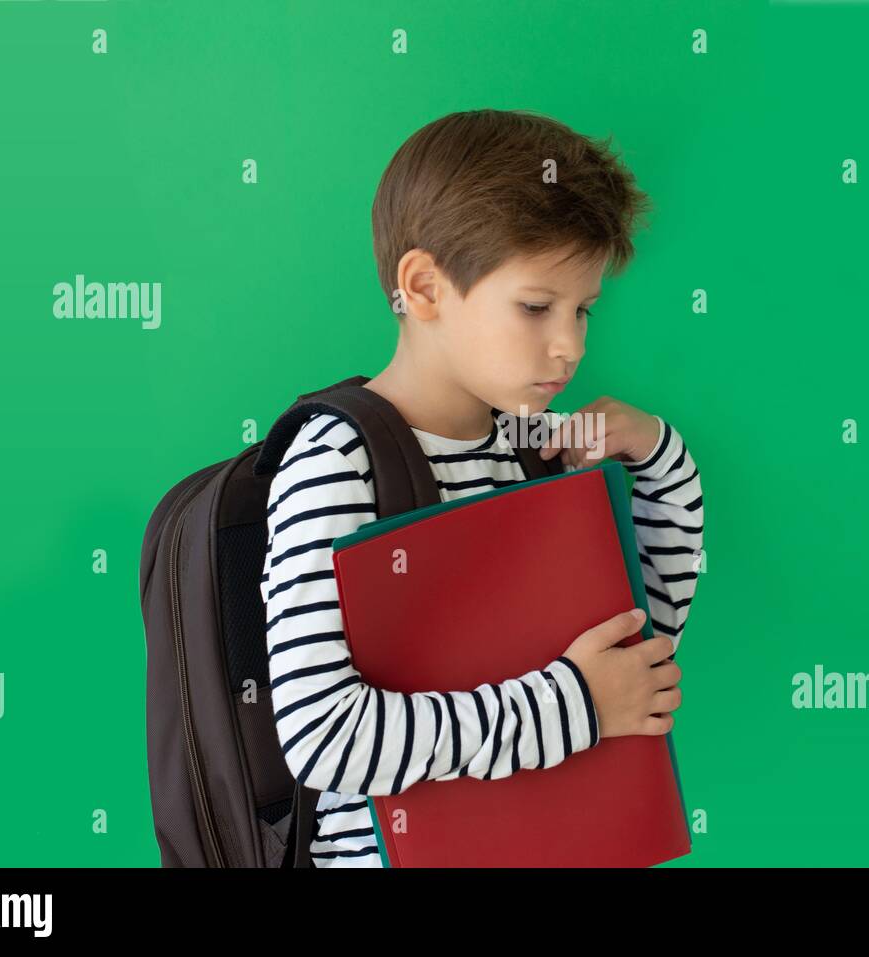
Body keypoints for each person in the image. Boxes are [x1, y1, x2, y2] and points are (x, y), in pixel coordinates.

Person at [259, 109, 704, 866]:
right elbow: (323, 736)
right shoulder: (339, 459)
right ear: (424, 287)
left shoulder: (534, 446)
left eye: (584, 310)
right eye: (536, 307)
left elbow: (644, 642)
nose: (570, 346)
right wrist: (579, 707)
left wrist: (656, 453)